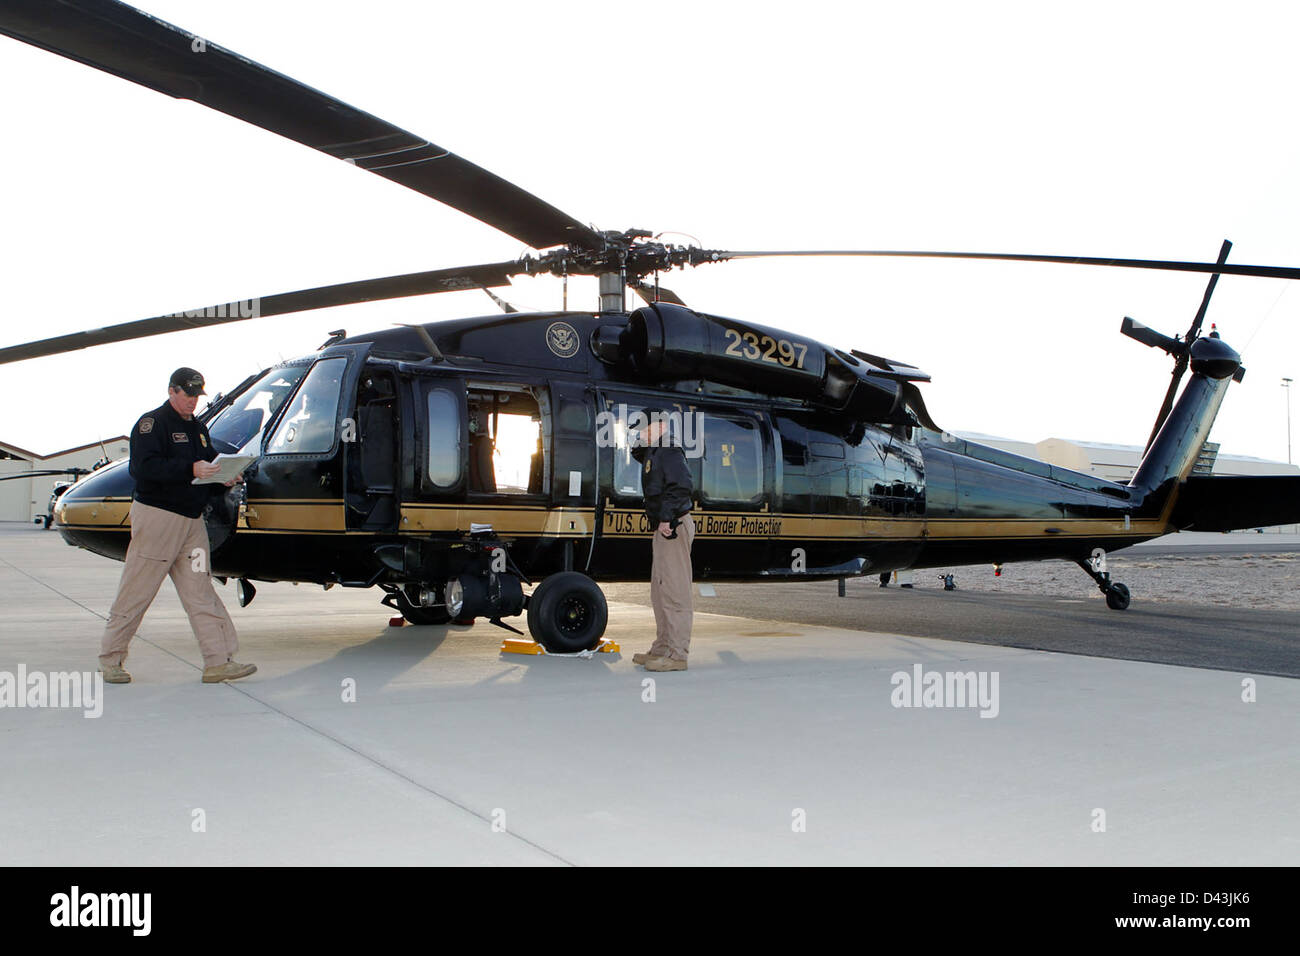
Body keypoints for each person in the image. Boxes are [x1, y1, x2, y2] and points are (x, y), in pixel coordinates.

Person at [98, 367, 257, 684]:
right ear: (172, 391)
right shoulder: (151, 425)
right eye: (188, 395)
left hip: (191, 523)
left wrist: (226, 476)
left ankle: (218, 662)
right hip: (159, 519)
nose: (193, 402)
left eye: (197, 395)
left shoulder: (198, 428)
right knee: (137, 592)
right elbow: (143, 469)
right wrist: (191, 468)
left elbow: (208, 465)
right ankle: (111, 660)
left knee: (200, 591)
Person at [629, 408, 696, 672]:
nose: (640, 433)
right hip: (663, 527)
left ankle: (678, 654)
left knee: (675, 590)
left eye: (644, 428)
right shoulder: (655, 451)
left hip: (673, 526)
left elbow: (681, 486)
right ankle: (663, 647)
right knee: (660, 590)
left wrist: (667, 518)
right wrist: (641, 441)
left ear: (660, 426)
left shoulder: (669, 450)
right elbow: (637, 455)